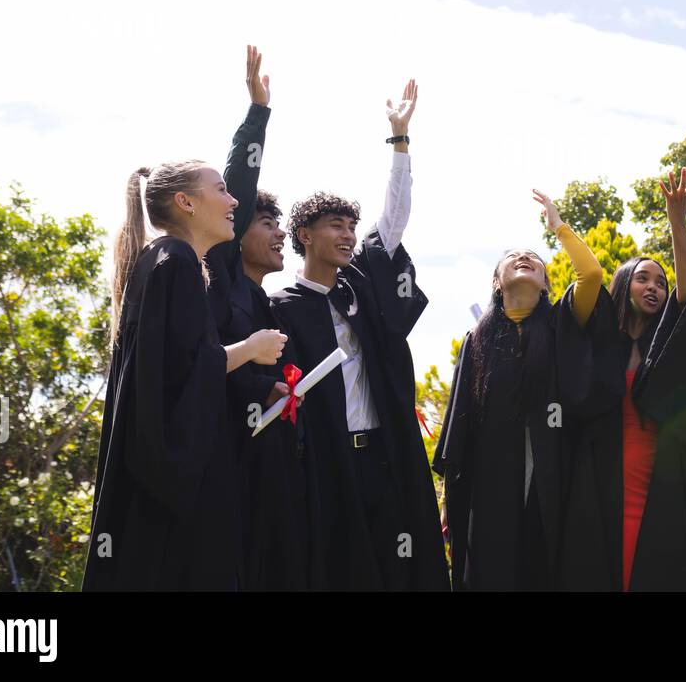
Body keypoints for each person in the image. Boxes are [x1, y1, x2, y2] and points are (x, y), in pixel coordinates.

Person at [269, 80, 447, 590]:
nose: (348, 234)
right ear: (304, 235)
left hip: (383, 455)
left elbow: (393, 222)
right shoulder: (280, 308)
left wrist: (400, 141)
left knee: (396, 568)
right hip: (325, 463)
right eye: (334, 225)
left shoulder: (361, 286)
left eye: (351, 224)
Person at [84, 159, 286, 590]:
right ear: (186, 202)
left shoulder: (168, 260)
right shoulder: (173, 259)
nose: (233, 201)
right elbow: (183, 370)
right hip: (175, 492)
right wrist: (251, 349)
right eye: (221, 190)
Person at [433, 191, 610, 590]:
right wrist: (450, 494)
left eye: (535, 259)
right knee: (491, 569)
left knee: (543, 566)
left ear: (547, 283)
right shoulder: (476, 340)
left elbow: (592, 277)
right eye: (513, 257)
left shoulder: (562, 324)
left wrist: (558, 228)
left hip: (549, 472)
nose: (525, 258)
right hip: (489, 479)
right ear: (497, 282)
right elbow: (461, 419)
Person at [559, 169, 686, 591]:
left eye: (660, 282)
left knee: (653, 569)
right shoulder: (599, 342)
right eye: (643, 278)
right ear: (624, 284)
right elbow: (585, 281)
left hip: (660, 477)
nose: (654, 287)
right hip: (600, 478)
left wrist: (677, 223)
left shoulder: (665, 347)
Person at [204, 46, 309, 590]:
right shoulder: (216, 280)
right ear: (236, 228)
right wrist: (257, 113)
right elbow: (238, 191)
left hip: (274, 475)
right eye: (266, 221)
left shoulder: (273, 304)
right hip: (226, 468)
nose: (279, 233)